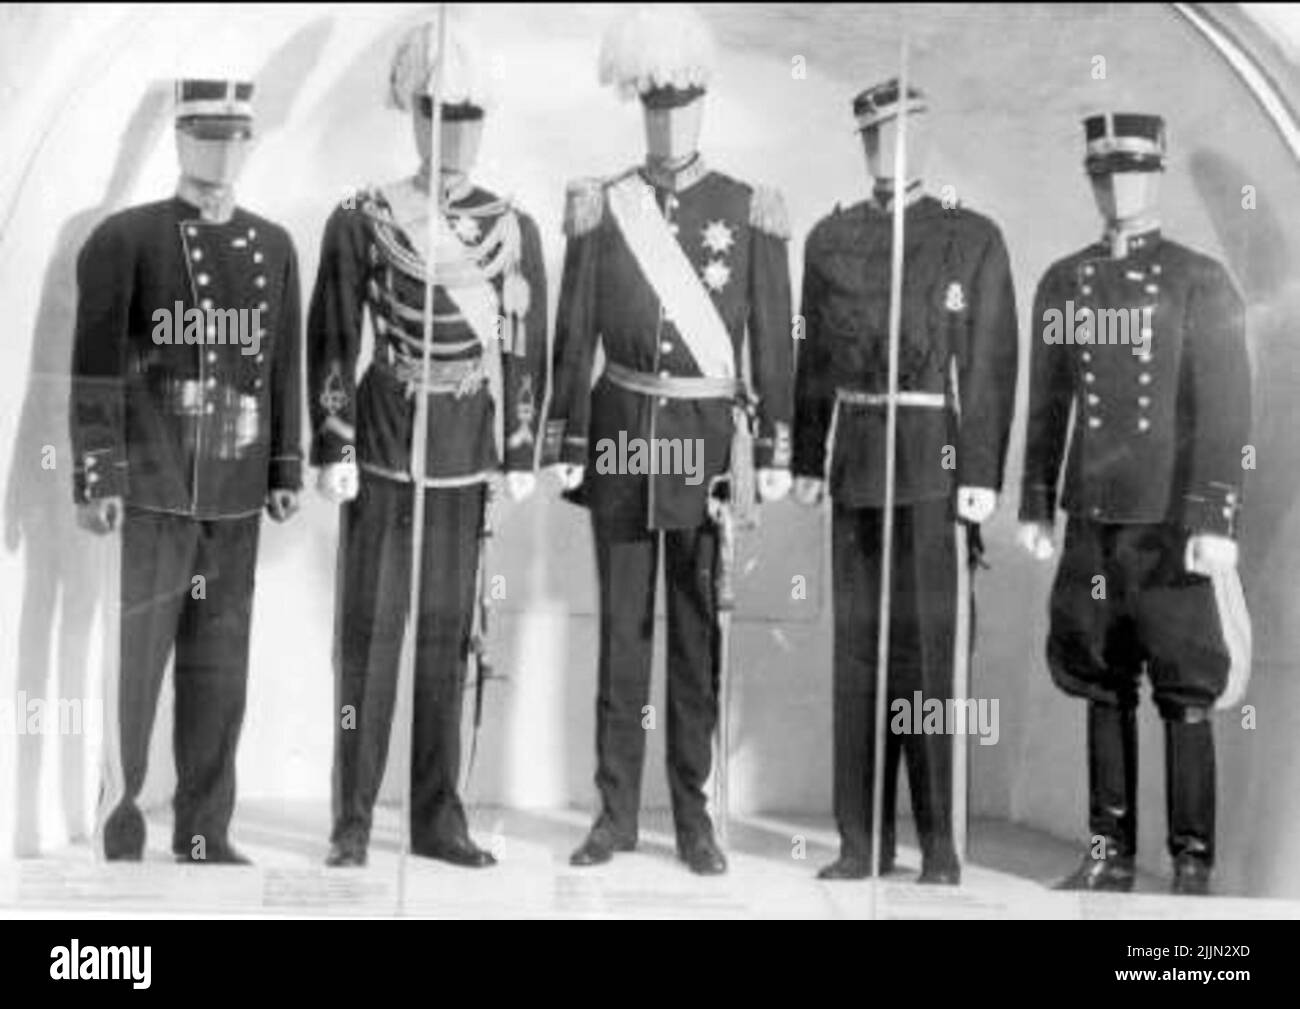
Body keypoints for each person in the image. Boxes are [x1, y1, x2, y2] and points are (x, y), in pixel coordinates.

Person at [545, 4, 794, 876]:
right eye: (654, 110)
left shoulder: (746, 209)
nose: (667, 124)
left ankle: (692, 816)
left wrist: (776, 450)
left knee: (696, 641)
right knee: (622, 634)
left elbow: (773, 336)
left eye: (681, 110)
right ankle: (613, 812)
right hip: (619, 439)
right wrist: (565, 432)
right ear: (640, 113)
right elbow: (574, 331)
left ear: (702, 111)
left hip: (702, 443)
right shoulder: (601, 206)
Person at [309, 18, 547, 869]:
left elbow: (527, 349)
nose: (453, 134)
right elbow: (335, 336)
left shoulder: (514, 227)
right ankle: (350, 820)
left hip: (462, 452)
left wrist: (519, 450)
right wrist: (332, 439)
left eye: (468, 117)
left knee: (448, 638)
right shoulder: (364, 217)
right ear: (412, 117)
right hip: (379, 440)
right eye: (438, 114)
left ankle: (438, 818)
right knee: (367, 636)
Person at [1018, 113, 1252, 895]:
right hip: (1093, 514)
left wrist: (1215, 514)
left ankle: (1191, 862)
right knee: (1099, 676)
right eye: (1104, 176)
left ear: (1155, 177)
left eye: (1133, 174)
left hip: (1171, 522)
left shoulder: (1199, 279)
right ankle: (1107, 852)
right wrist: (1035, 500)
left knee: (1186, 688)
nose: (1119, 190)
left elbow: (1226, 407)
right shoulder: (1064, 280)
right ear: (1092, 182)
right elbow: (1048, 401)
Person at [792, 80, 1019, 884]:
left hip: (933, 462)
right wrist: (805, 458)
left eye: (900, 129)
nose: (886, 147)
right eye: (873, 134)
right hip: (855, 462)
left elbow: (990, 363)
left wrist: (982, 471)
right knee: (857, 658)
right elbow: (812, 357)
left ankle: (940, 845)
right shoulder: (830, 239)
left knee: (927, 658)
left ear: (923, 134)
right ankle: (862, 841)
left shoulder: (969, 237)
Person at [71, 79, 302, 864]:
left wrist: (285, 467)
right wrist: (98, 473)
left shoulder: (273, 245)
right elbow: (96, 370)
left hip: (233, 490)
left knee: (219, 666)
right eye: (207, 136)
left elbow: (281, 368)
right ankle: (120, 817)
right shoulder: (126, 238)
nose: (222, 151)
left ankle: (205, 828)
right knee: (137, 665)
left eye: (236, 137)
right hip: (154, 481)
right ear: (180, 139)